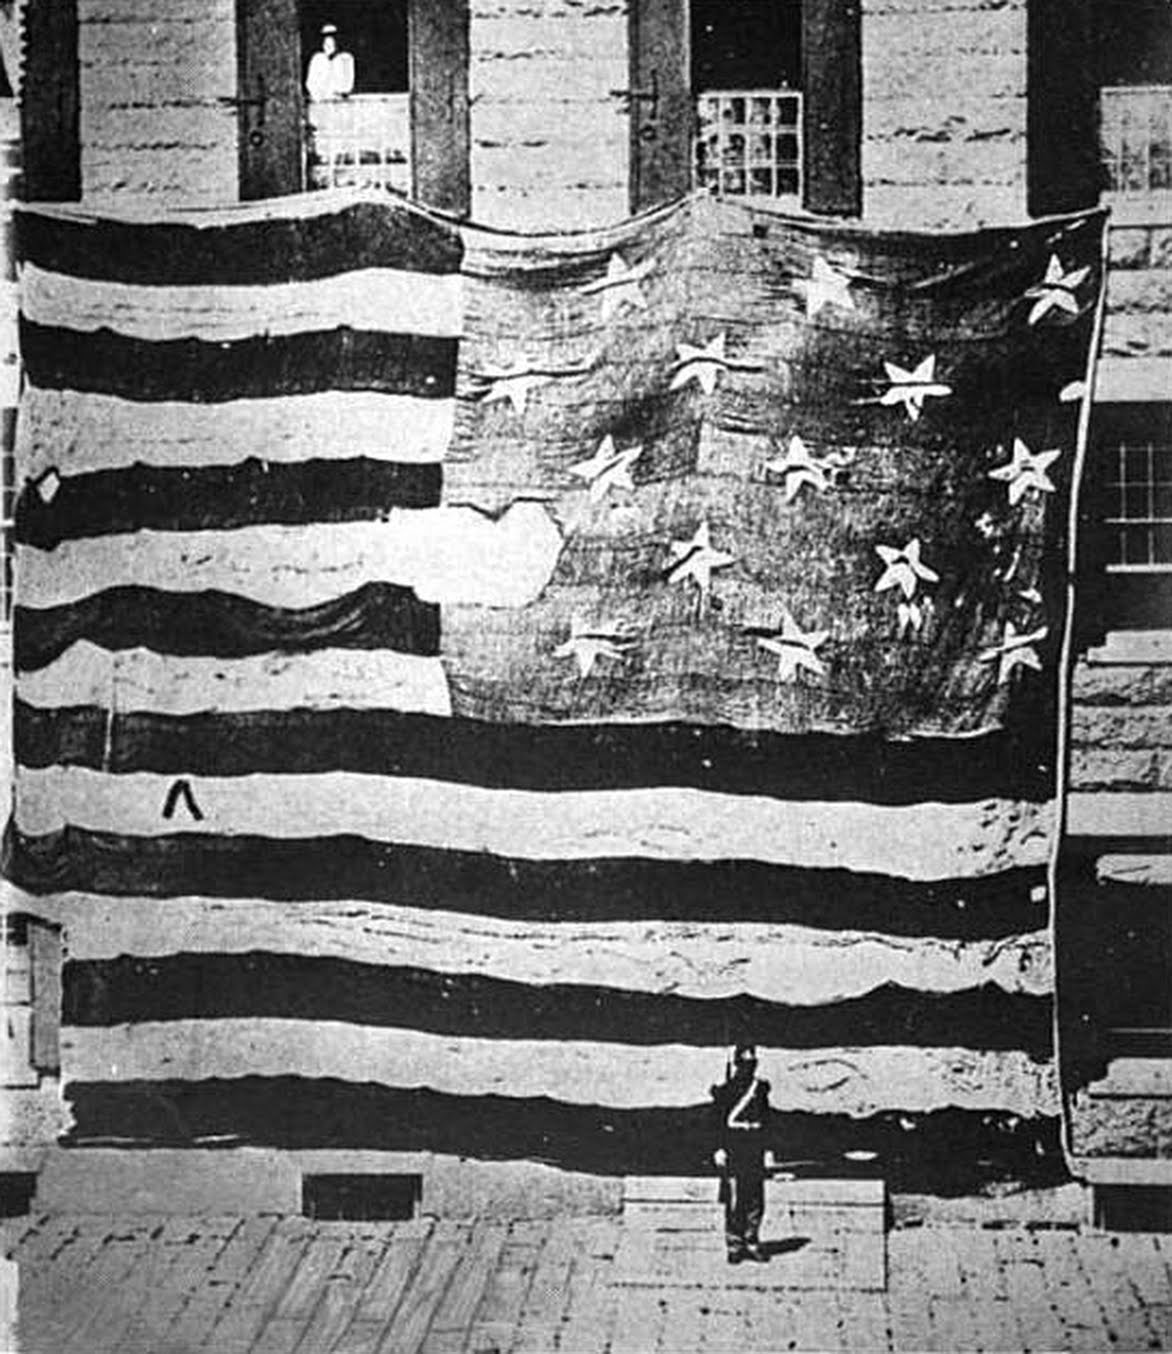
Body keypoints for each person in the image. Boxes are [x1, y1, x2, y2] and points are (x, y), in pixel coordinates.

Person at [711, 1042, 771, 1264]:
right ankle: (735, 1244)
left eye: (752, 1063)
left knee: (756, 1199)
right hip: (734, 1147)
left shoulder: (761, 1088)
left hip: (754, 1147)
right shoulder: (725, 1090)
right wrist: (718, 1148)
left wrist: (768, 1149)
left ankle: (752, 1241)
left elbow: (767, 1121)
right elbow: (716, 1123)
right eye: (745, 1063)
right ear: (737, 1064)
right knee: (735, 1200)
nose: (749, 1067)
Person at [305, 23, 354, 102]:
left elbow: (348, 83)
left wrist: (339, 92)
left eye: (333, 36)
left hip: (338, 101)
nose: (329, 40)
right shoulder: (317, 59)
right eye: (325, 36)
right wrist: (318, 96)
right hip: (320, 101)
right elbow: (310, 83)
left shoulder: (346, 58)